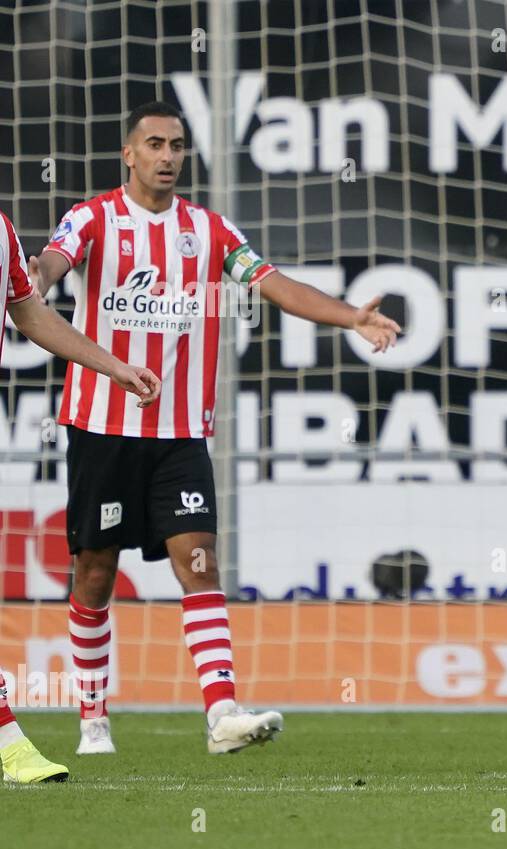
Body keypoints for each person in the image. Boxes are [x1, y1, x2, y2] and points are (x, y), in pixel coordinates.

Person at [27, 101, 400, 756]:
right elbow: (54, 263)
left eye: (176, 145)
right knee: (94, 573)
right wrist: (37, 275)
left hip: (179, 433)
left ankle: (222, 712)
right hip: (101, 427)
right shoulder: (93, 219)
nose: (167, 156)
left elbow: (274, 284)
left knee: (199, 563)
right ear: (129, 153)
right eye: (154, 144)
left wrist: (350, 317)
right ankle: (92, 719)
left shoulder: (211, 230)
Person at [1, 206, 159, 782]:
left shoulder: (1, 231)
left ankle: (12, 746)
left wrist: (112, 366)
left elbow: (30, 314)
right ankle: (12, 745)